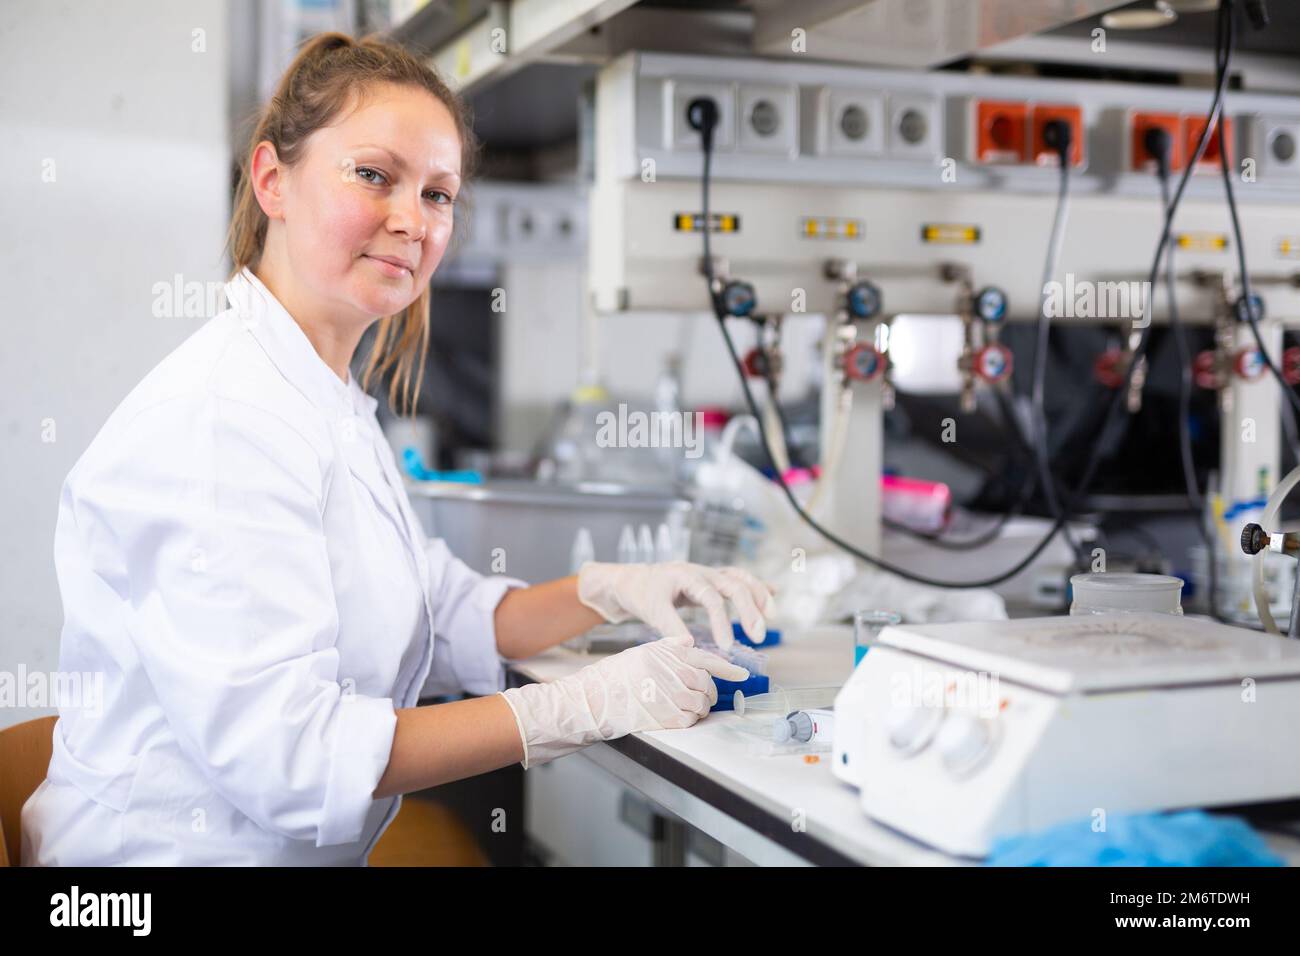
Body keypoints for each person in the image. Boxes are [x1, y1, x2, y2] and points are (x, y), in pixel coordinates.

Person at [21, 32, 774, 866]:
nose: (412, 220)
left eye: (439, 193)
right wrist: (575, 708)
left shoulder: (321, 396)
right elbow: (293, 761)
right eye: (373, 175)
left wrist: (613, 590)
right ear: (272, 180)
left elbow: (439, 609)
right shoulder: (221, 420)